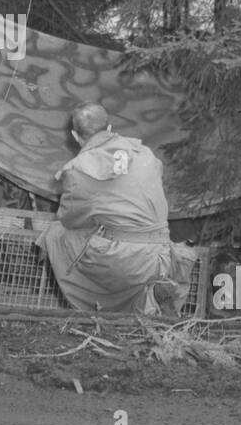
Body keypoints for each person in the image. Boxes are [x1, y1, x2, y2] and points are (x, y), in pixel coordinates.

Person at [36, 101, 174, 314]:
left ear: (75, 135)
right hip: (163, 252)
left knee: (56, 234)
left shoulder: (79, 169)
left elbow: (70, 219)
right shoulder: (144, 153)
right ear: (109, 128)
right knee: (116, 229)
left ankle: (91, 306)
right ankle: (147, 299)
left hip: (127, 260)